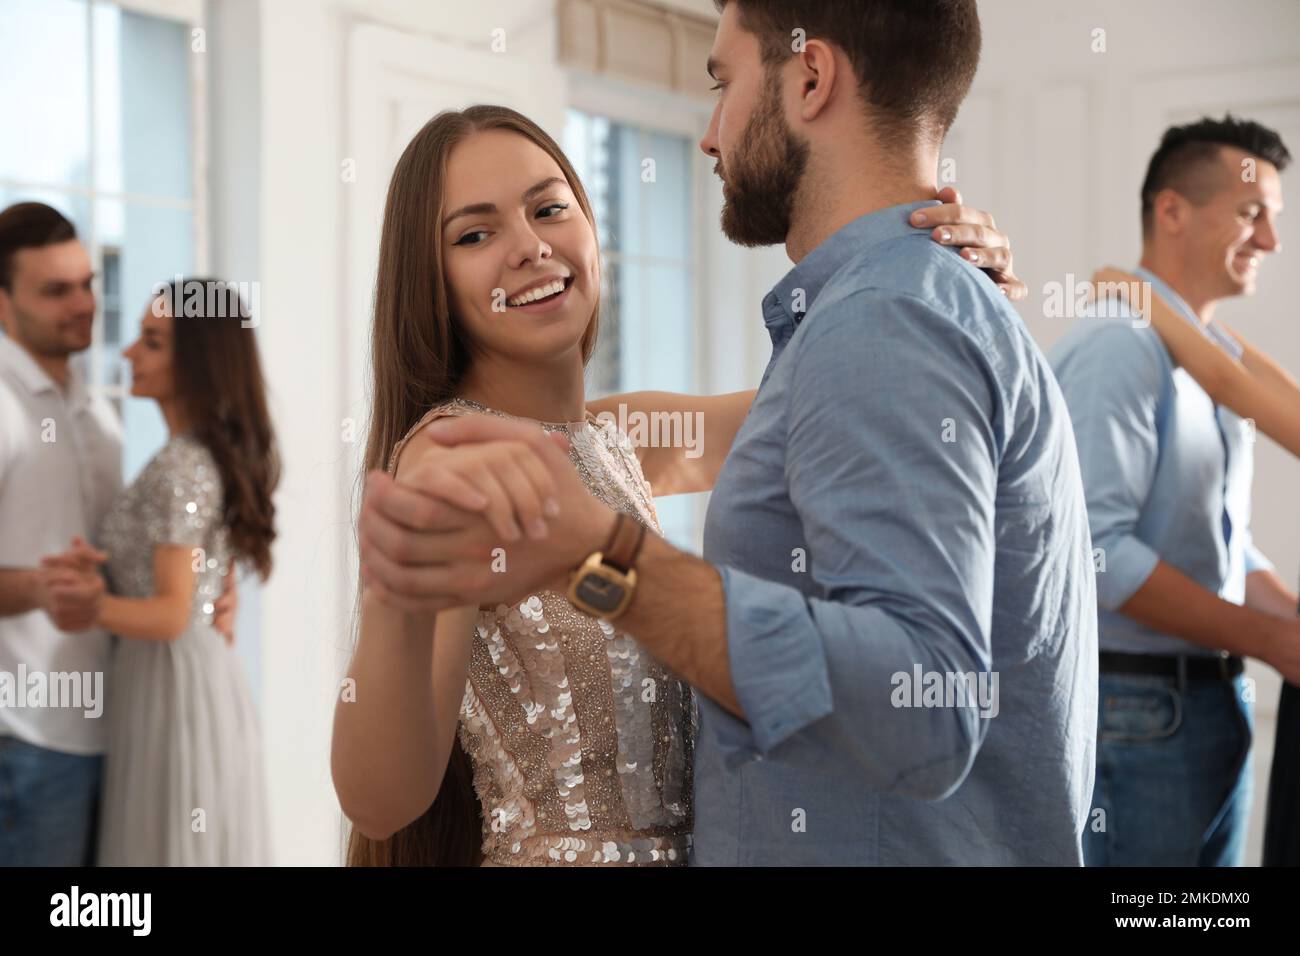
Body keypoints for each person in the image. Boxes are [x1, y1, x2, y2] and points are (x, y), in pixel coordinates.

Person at [352, 0, 1096, 866]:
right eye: (475, 233)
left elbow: (842, 398)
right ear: (429, 279)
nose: (527, 247)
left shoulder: (620, 436)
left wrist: (938, 279)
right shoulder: (457, 464)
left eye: (550, 208)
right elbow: (381, 794)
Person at [1051, 115, 1297, 866]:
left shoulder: (1212, 361)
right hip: (1142, 715)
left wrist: (1280, 626)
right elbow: (1100, 553)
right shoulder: (1120, 348)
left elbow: (1216, 541)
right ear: (1172, 211)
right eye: (1253, 214)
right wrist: (1278, 636)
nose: (1271, 242)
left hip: (1210, 705)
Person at [0, 203, 236, 865]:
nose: (81, 305)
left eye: (86, 285)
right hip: (25, 734)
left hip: (118, 724)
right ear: (3, 302)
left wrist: (209, 584)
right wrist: (44, 589)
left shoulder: (99, 414)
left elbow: (141, 549)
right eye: (54, 291)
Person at [41, 278, 277, 865]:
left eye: (151, 341)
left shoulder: (182, 467)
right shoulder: (190, 457)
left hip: (171, 681)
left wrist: (87, 601)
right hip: (179, 678)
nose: (126, 353)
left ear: (197, 361)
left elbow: (172, 613)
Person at [1091, 265, 1300, 866]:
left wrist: (1136, 291)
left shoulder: (1146, 341)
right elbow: (1249, 375)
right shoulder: (1114, 351)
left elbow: (1229, 382)